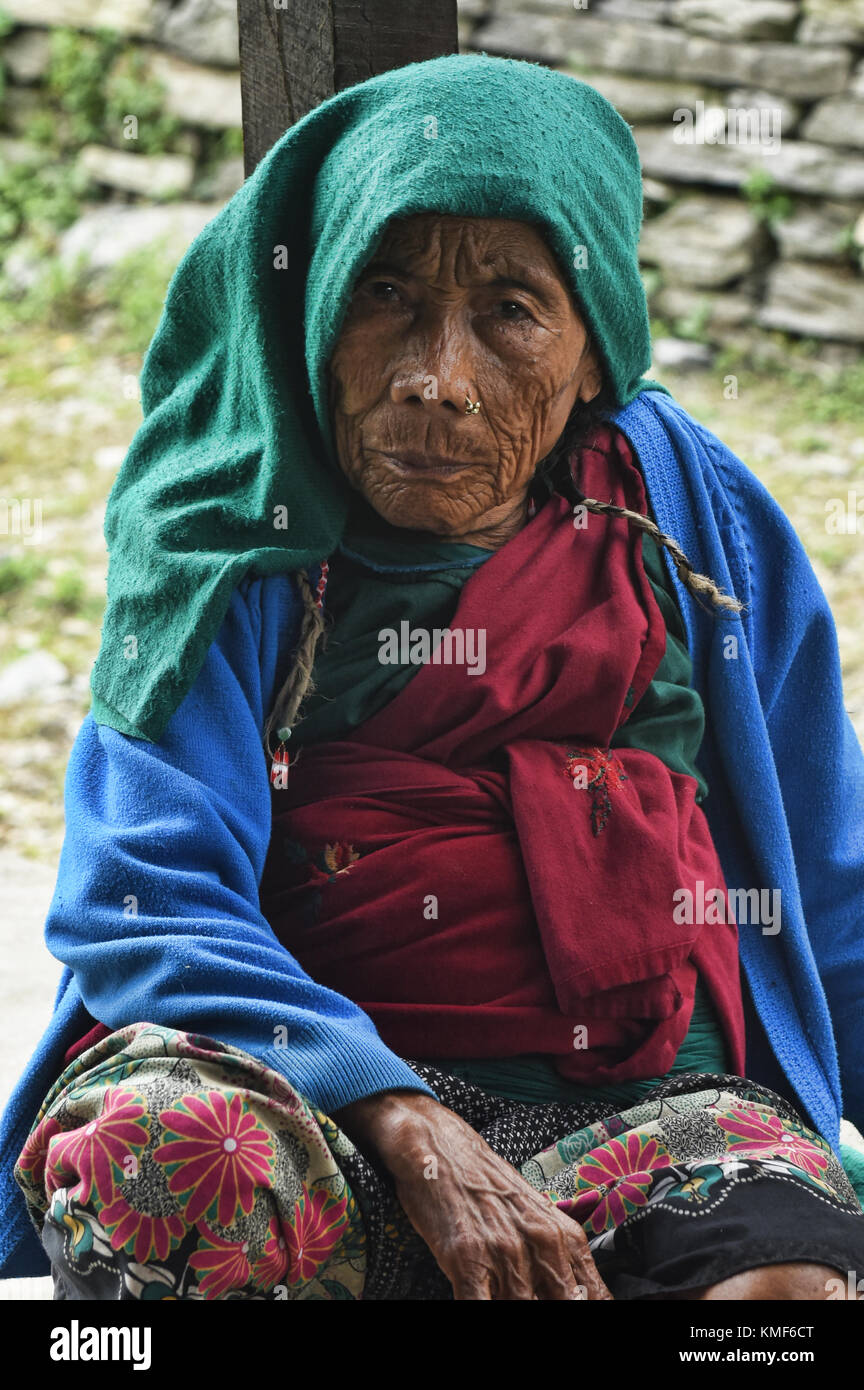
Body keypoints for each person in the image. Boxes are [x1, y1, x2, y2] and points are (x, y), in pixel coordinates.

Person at [2, 54, 863, 1301]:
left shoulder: (688, 513)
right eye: (385, 295)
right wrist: (400, 1117)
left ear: (591, 352)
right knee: (161, 1155)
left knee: (780, 1290)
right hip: (319, 1116)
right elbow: (142, 894)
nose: (434, 376)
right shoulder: (238, 538)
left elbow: (825, 873)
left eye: (509, 311)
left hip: (643, 1112)